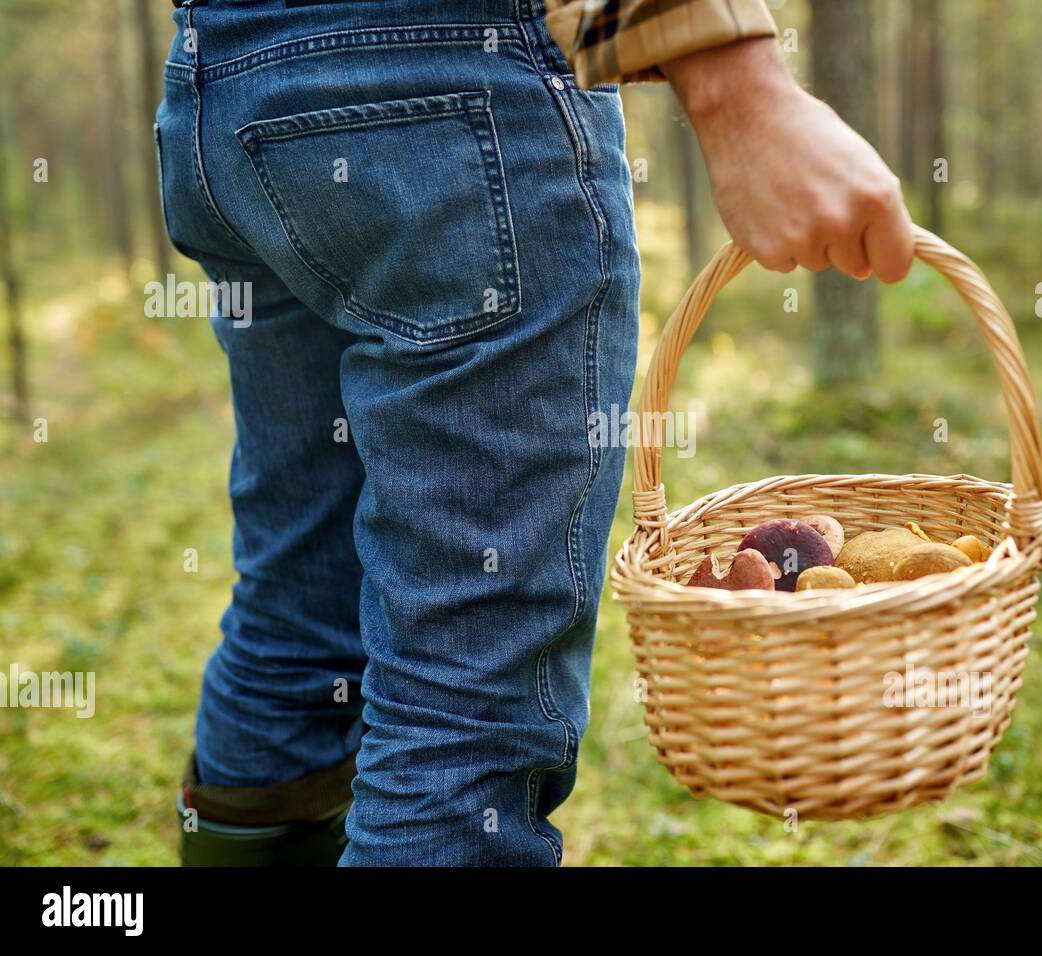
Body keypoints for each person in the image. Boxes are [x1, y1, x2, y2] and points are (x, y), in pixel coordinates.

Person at [161, 0, 913, 866]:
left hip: (223, 79)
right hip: (451, 86)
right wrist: (737, 82)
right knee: (463, 701)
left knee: (295, 610)